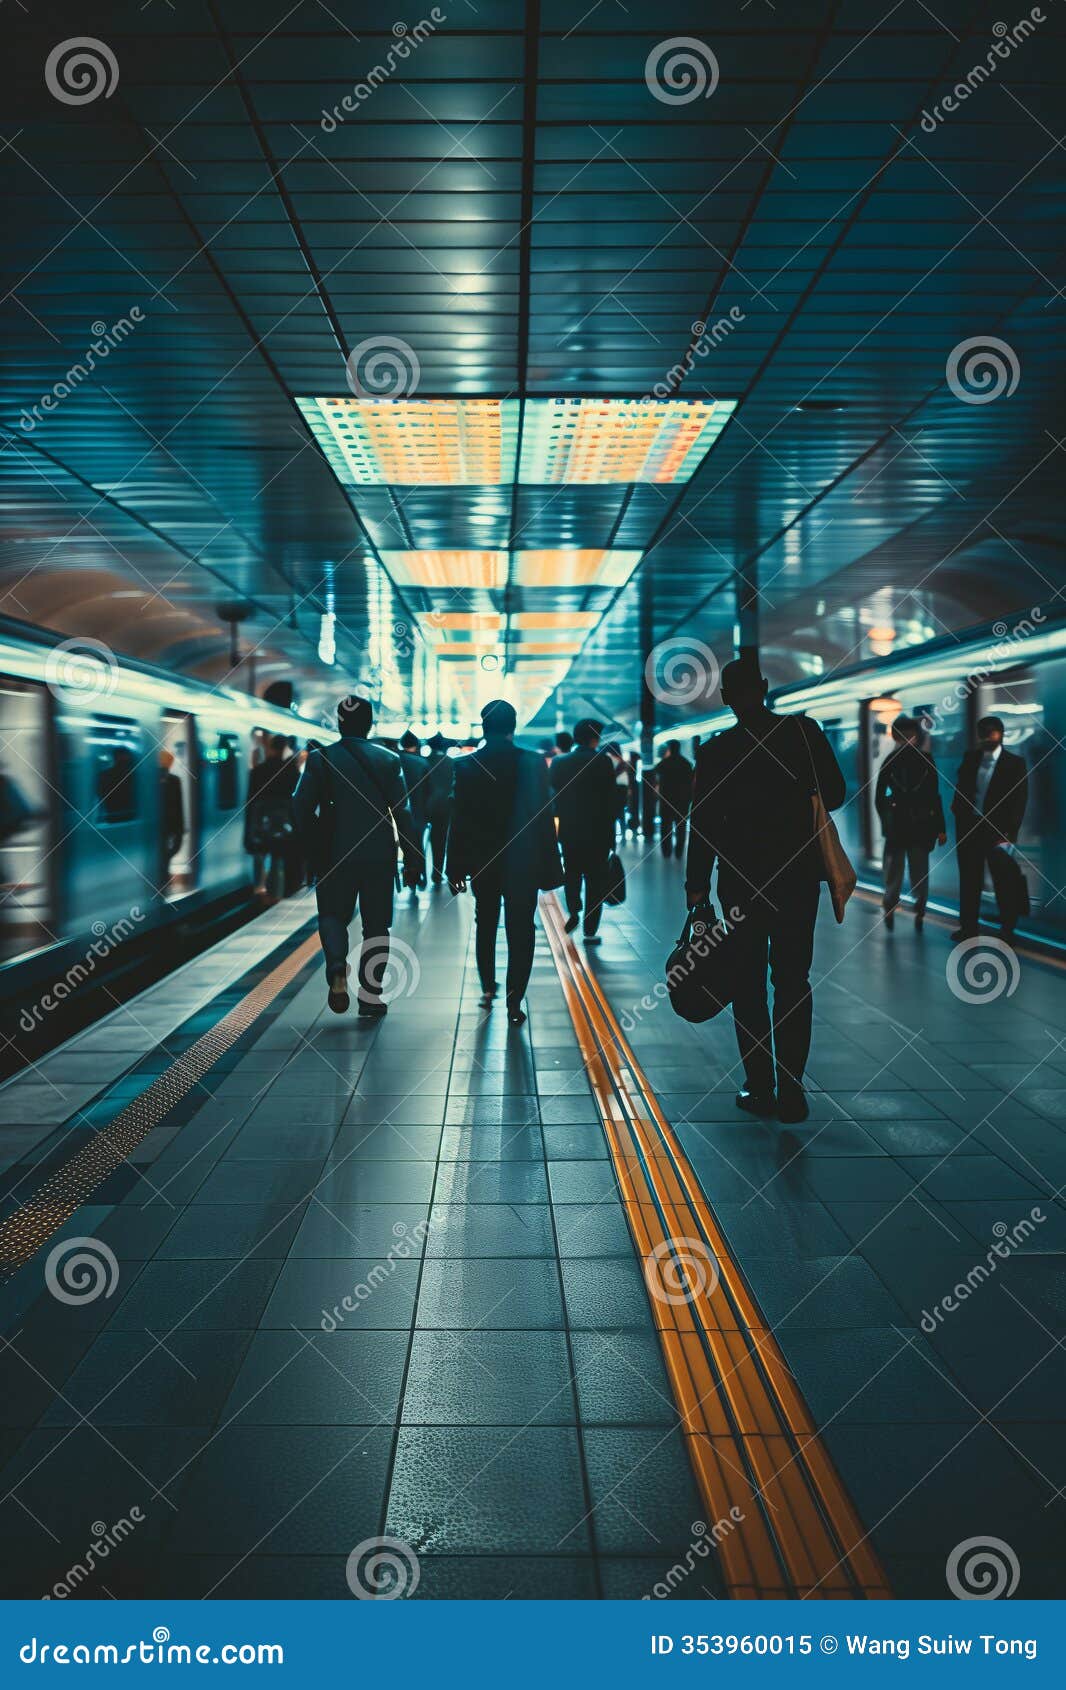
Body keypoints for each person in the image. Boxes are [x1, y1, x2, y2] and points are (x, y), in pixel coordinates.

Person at [685, 658, 846, 1125]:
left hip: (741, 886)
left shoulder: (716, 751)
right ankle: (792, 1092)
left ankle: (759, 1086)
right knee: (793, 981)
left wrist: (696, 887)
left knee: (748, 983)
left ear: (726, 699)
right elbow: (836, 794)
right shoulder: (804, 733)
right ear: (765, 687)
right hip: (797, 880)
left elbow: (703, 825)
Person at [293, 696, 422, 1015]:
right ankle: (371, 995)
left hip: (333, 854)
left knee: (332, 915)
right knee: (376, 925)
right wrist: (413, 857)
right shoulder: (389, 760)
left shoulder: (320, 759)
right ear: (369, 724)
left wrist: (314, 844)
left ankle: (337, 967)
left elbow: (300, 807)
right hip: (378, 855)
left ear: (339, 722)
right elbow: (403, 812)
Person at [447, 698, 563, 1025]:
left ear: (484, 727)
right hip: (523, 861)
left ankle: (488, 988)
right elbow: (544, 816)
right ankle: (515, 1001)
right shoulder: (533, 763)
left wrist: (454, 868)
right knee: (521, 928)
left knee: (485, 923)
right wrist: (551, 867)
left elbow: (459, 820)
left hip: (483, 861)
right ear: (513, 727)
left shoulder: (466, 765)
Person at [950, 715, 1029, 942]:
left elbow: (1019, 800)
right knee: (969, 880)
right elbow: (961, 789)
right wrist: (959, 813)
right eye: (982, 733)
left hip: (998, 831)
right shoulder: (971, 758)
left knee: (1003, 882)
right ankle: (968, 928)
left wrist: (1010, 833)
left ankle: (1007, 930)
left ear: (1001, 734)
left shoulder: (1014, 763)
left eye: (991, 732)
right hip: (970, 828)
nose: (986, 737)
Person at [874, 714, 946, 931]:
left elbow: (879, 797)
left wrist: (886, 821)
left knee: (893, 872)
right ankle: (920, 909)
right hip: (920, 826)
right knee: (919, 871)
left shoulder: (889, 760)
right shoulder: (926, 759)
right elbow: (934, 796)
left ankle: (889, 906)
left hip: (896, 827)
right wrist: (940, 828)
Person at [550, 718, 618, 944]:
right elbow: (611, 802)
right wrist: (612, 837)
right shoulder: (603, 762)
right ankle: (590, 929)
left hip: (570, 831)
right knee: (595, 881)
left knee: (572, 872)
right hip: (598, 833)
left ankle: (574, 909)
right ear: (595, 738)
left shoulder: (559, 762)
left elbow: (552, 796)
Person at [244, 735, 297, 901]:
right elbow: (295, 802)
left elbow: (250, 802)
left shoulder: (257, 771)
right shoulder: (291, 772)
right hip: (283, 824)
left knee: (259, 855)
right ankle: (275, 895)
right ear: (283, 749)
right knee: (277, 859)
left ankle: (258, 889)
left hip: (260, 822)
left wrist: (248, 832)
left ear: (271, 748)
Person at [653, 740, 694, 859]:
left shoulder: (664, 763)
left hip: (666, 800)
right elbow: (690, 783)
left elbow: (655, 772)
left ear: (670, 749)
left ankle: (666, 851)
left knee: (665, 827)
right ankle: (679, 852)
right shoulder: (686, 763)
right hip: (682, 801)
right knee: (681, 827)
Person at [397, 730, 429, 889]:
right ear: (416, 745)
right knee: (418, 845)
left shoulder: (394, 760)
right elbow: (428, 791)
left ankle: (410, 878)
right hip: (418, 813)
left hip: (398, 813)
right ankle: (421, 875)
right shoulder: (422, 763)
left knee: (405, 847)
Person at [423, 732, 454, 885]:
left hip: (425, 806)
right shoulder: (450, 762)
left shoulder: (424, 761)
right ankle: (437, 873)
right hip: (445, 807)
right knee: (441, 841)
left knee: (421, 842)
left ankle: (420, 874)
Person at [159, 748, 185, 888]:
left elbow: (178, 806)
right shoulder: (174, 780)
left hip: (167, 826)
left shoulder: (174, 780)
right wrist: (180, 829)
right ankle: (162, 880)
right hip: (169, 825)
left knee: (164, 854)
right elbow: (178, 806)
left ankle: (162, 880)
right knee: (165, 854)